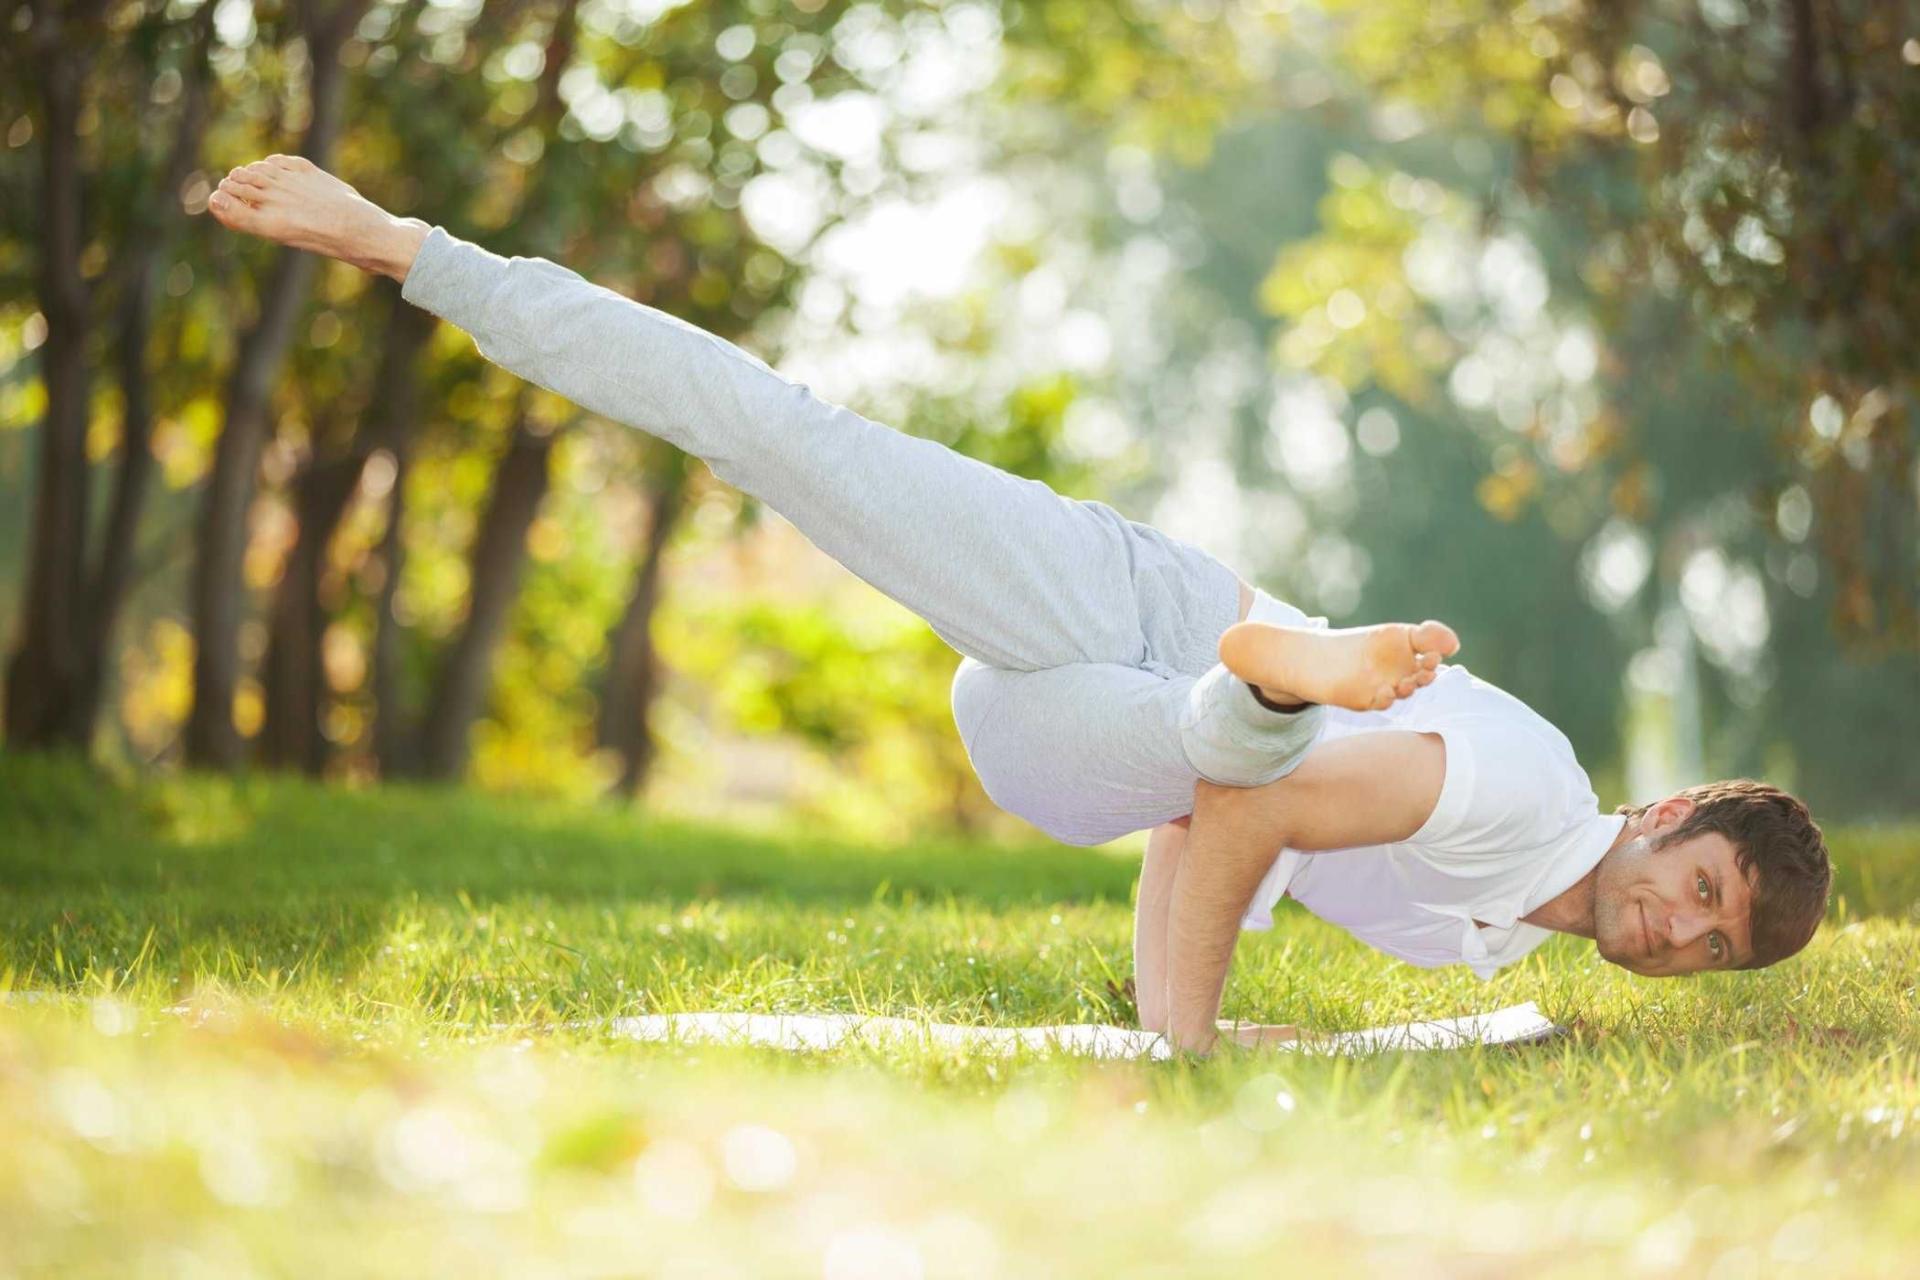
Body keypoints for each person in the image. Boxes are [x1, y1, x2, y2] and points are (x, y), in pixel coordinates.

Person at [204, 155, 1831, 1056]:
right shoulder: (1533, 801)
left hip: (1088, 734)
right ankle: (406, 243)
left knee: (1189, 750)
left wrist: (1169, 1015)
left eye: (1716, 944)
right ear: (1670, 813)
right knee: (791, 439)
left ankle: (1268, 685)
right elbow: (1240, 830)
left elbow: (1214, 831)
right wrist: (1191, 1051)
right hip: (1137, 602)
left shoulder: (1495, 938)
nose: (1680, 932)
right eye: (1698, 885)